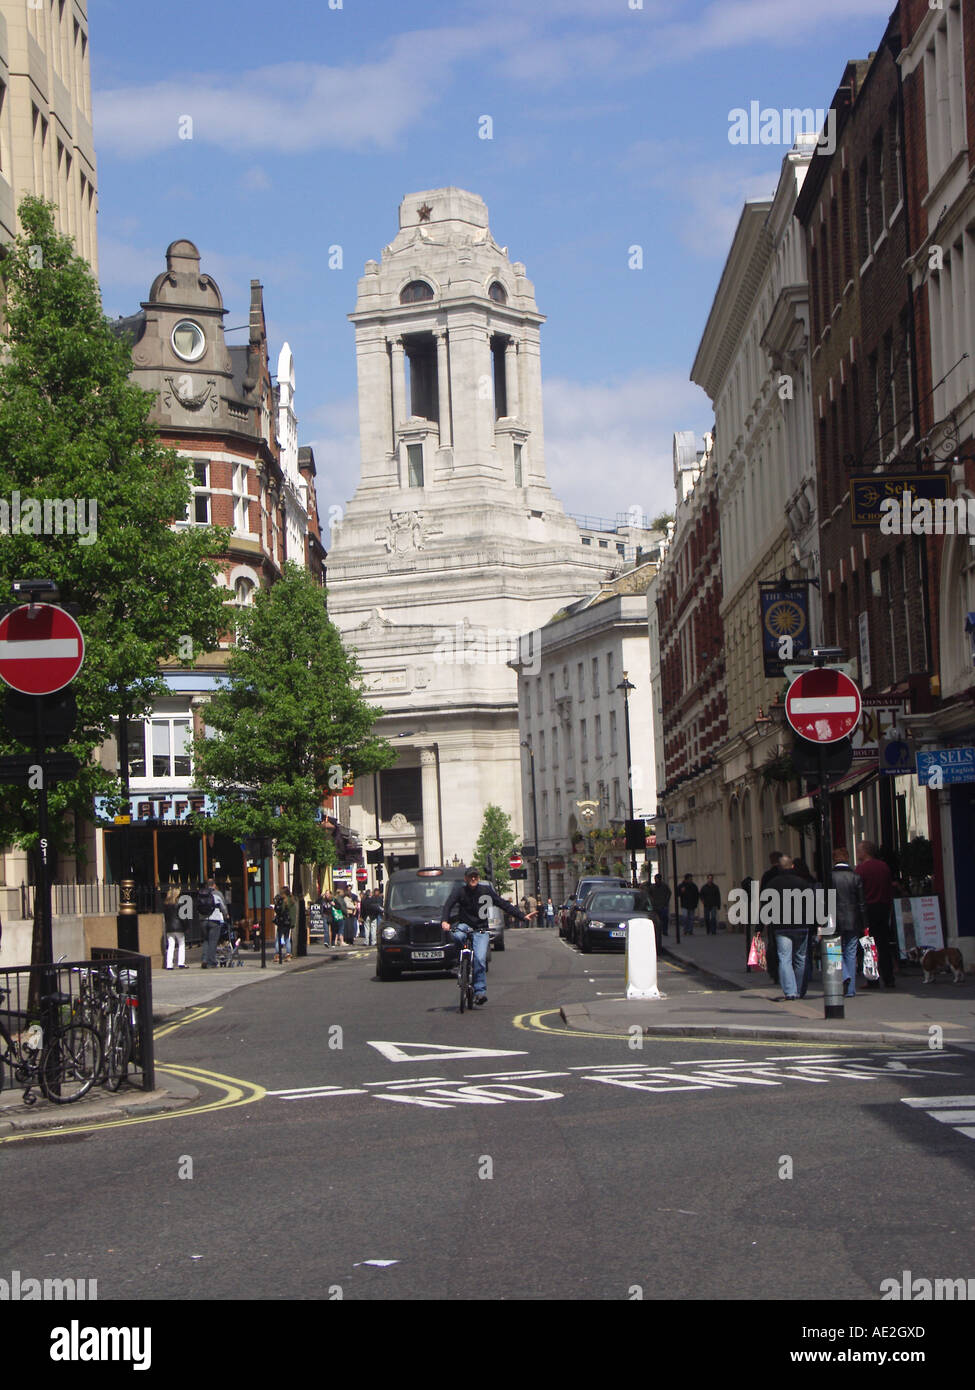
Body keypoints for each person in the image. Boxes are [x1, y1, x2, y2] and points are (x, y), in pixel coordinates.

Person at [442, 866, 535, 1005]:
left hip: (481, 929)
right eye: (470, 876)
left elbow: (503, 903)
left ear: (478, 878)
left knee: (479, 959)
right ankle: (459, 961)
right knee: (456, 935)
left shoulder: (485, 891)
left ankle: (479, 992)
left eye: (475, 876)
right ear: (466, 879)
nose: (473, 879)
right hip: (465, 926)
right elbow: (448, 905)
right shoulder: (460, 891)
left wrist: (522, 916)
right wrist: (444, 921)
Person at [764, 855, 814, 1001]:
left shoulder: (773, 883)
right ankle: (799, 990)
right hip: (801, 924)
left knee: (784, 958)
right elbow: (811, 904)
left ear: (779, 867)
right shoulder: (802, 883)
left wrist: (760, 926)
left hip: (781, 926)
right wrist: (818, 924)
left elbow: (765, 906)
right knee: (801, 958)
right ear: (793, 866)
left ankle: (790, 991)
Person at [856, 840, 896, 988]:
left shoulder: (861, 870)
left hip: (867, 910)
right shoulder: (884, 867)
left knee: (869, 945)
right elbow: (888, 887)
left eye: (859, 850)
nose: (857, 853)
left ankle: (873, 980)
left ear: (865, 852)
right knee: (883, 944)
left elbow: (858, 891)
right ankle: (889, 977)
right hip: (883, 907)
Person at [834, 846, 867, 997]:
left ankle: (845, 975)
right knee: (851, 953)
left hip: (835, 920)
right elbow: (861, 903)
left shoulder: (830, 877)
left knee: (834, 950)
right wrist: (865, 923)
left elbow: (824, 901)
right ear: (847, 858)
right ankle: (851, 989)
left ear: (834, 859)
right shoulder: (855, 877)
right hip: (853, 919)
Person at [791, 858, 819, 998]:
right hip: (809, 918)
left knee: (796, 953)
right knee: (805, 951)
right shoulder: (811, 881)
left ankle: (799, 980)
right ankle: (807, 974)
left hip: (796, 919)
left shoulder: (794, 883)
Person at [198, 877, 230, 969]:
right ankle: (211, 962)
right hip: (214, 920)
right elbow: (223, 907)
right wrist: (226, 915)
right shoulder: (218, 894)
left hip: (203, 920)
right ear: (214, 885)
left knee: (205, 940)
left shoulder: (201, 893)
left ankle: (204, 960)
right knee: (213, 941)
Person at [163, 884, 186, 970]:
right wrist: (185, 926)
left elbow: (166, 917)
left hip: (169, 927)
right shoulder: (179, 904)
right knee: (181, 944)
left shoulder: (166, 905)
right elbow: (183, 917)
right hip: (179, 926)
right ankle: (181, 963)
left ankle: (169, 964)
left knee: (170, 945)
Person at [274, 890, 294, 962]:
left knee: (278, 938)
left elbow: (277, 910)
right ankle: (288, 954)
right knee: (286, 938)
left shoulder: (281, 901)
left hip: (281, 922)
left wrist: (276, 903)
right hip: (288, 922)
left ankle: (277, 955)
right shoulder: (291, 901)